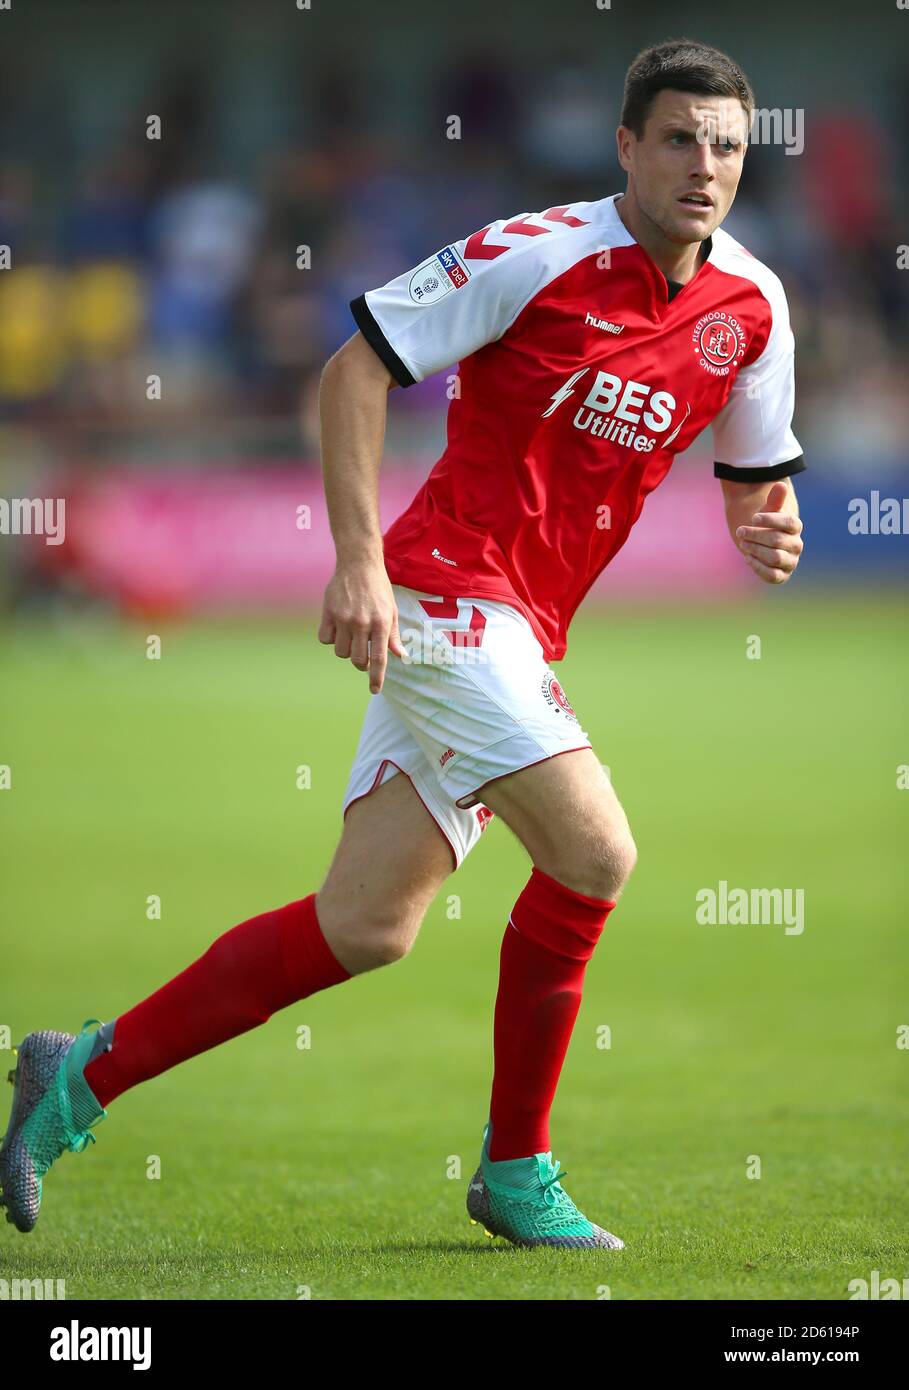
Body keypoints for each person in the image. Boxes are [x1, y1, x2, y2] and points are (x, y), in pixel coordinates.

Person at [2, 38, 804, 1249]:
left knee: (364, 927)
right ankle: (518, 1168)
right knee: (596, 853)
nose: (706, 166)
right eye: (681, 139)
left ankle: (74, 1077)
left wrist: (764, 520)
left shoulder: (753, 304)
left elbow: (754, 472)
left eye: (729, 145)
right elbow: (353, 369)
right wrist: (359, 558)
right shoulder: (535, 253)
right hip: (441, 597)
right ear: (628, 146)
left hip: (526, 629)